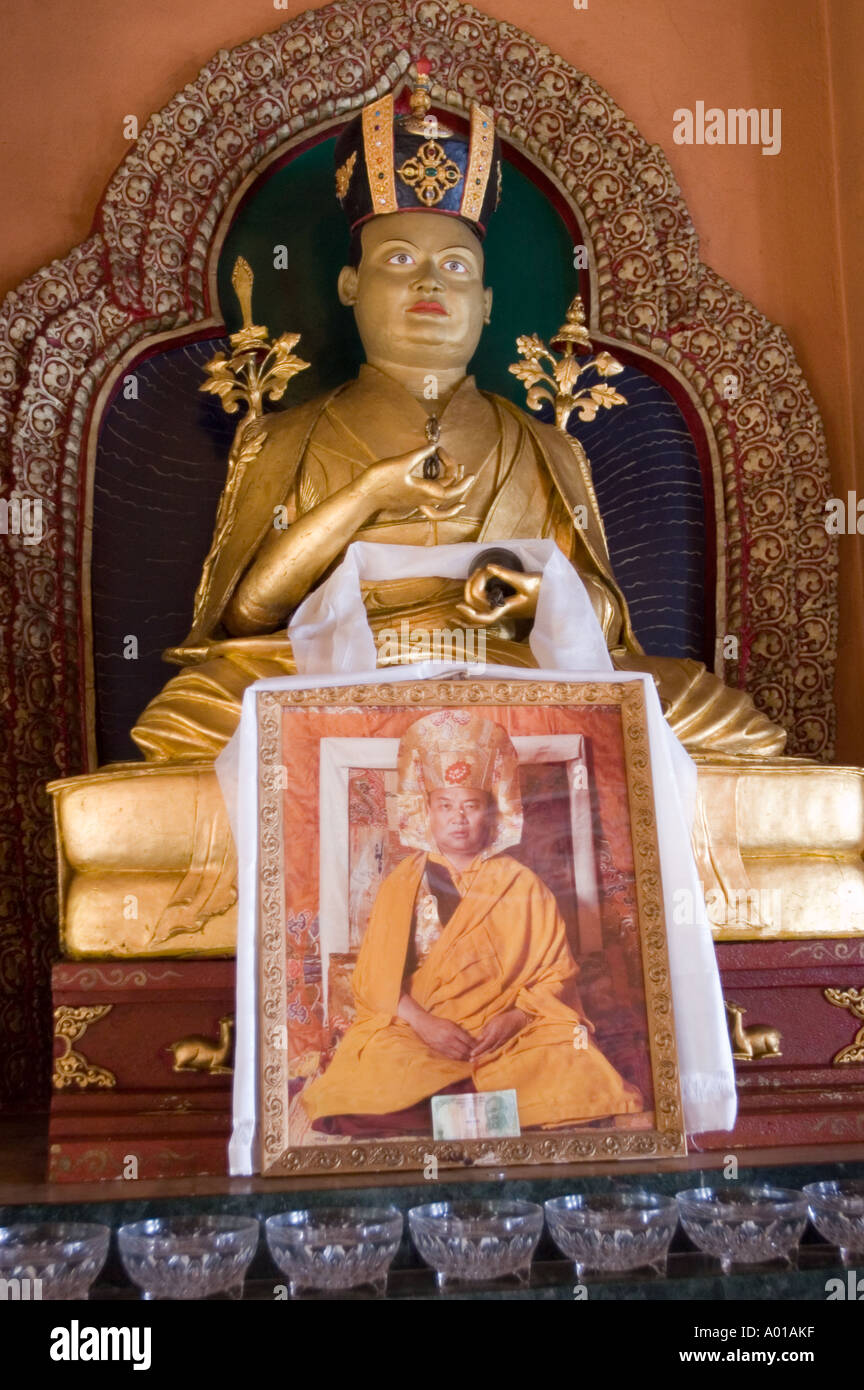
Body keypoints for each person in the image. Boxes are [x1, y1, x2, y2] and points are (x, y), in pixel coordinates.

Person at [130, 72, 785, 763]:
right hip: (342, 672)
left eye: (456, 267)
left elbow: (610, 623)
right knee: (191, 711)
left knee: (711, 712)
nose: (430, 283)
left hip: (514, 669)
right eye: (400, 259)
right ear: (350, 285)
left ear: (488, 301)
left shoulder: (543, 444)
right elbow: (246, 615)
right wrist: (366, 496)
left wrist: (538, 593)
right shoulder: (287, 436)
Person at [300, 710, 644, 1134]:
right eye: (445, 806)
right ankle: (494, 1113)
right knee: (368, 1069)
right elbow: (376, 982)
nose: (458, 818)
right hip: (423, 1031)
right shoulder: (402, 884)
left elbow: (556, 975)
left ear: (493, 814)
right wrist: (426, 1025)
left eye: (471, 806)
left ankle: (446, 1114)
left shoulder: (523, 885)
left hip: (511, 1033)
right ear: (427, 812)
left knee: (568, 1053)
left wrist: (514, 1019)